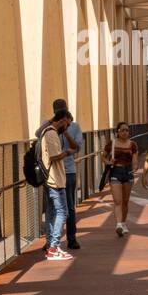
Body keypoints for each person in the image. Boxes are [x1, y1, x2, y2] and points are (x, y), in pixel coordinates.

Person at [39, 107, 74, 261]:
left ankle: (50, 245)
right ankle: (54, 247)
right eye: (67, 124)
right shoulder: (51, 133)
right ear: (62, 120)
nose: (67, 128)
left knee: (52, 212)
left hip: (51, 179)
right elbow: (54, 156)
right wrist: (67, 153)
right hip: (55, 179)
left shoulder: (46, 132)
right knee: (62, 212)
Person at [54, 97, 82, 250]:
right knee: (54, 207)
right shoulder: (50, 126)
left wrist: (65, 132)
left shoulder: (74, 126)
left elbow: (77, 147)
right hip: (53, 172)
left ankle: (72, 238)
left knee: (70, 206)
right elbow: (38, 134)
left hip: (69, 171)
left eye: (63, 111)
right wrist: (53, 123)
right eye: (58, 112)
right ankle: (52, 241)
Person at [101, 121, 138, 236]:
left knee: (125, 202)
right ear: (118, 132)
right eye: (123, 130)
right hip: (115, 172)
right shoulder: (112, 144)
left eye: (127, 130)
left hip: (128, 172)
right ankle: (118, 225)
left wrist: (135, 166)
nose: (125, 132)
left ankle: (123, 222)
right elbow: (103, 156)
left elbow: (135, 158)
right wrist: (108, 161)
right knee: (118, 201)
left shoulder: (132, 144)